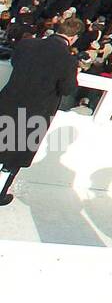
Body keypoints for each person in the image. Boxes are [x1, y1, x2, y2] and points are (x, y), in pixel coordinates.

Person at [0, 16, 82, 205]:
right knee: (14, 157)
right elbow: (67, 89)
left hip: (7, 102)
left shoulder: (27, 44)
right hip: (36, 113)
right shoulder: (68, 60)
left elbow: (14, 62)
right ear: (74, 37)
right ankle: (2, 192)